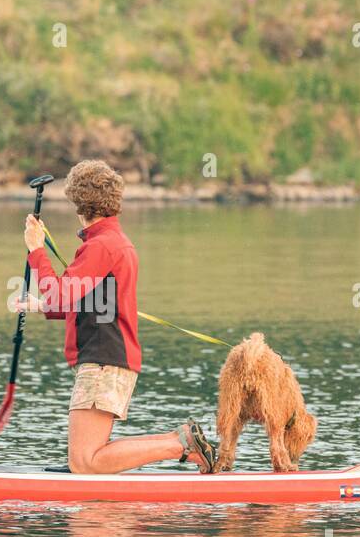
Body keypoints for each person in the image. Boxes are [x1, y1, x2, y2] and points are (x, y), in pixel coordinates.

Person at [12, 159, 217, 474]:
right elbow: (82, 300)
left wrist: (37, 250)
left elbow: (60, 294)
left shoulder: (102, 247)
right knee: (84, 461)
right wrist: (38, 305)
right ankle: (179, 443)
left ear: (79, 204)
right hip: (108, 358)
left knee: (85, 462)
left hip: (103, 360)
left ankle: (180, 443)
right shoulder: (110, 243)